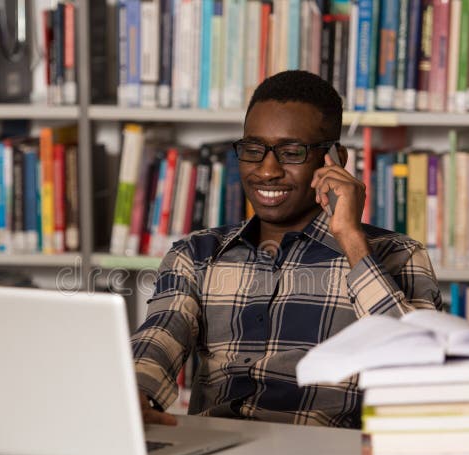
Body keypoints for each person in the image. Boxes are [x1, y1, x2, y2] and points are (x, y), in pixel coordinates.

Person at [133, 70, 441, 428]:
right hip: (218, 452)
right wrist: (133, 395)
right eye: (253, 150)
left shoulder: (400, 255)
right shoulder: (196, 254)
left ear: (334, 159)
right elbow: (160, 335)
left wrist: (351, 239)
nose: (267, 171)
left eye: (291, 152)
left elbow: (419, 369)